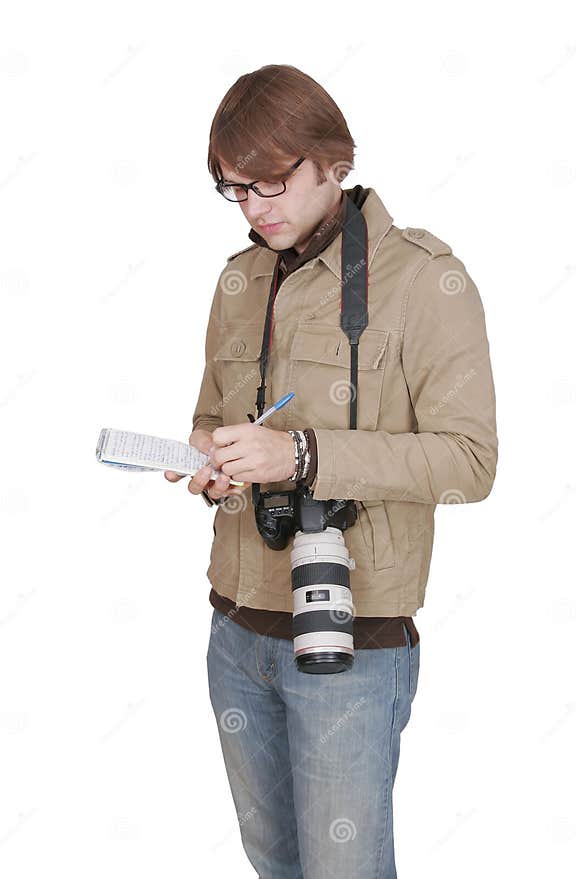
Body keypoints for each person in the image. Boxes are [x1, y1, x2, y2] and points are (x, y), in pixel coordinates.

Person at [165, 64, 498, 878]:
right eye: (234, 188)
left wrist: (306, 455)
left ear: (332, 160)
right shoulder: (239, 279)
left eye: (272, 180)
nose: (255, 207)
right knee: (274, 864)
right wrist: (213, 459)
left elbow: (472, 462)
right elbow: (215, 416)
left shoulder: (423, 279)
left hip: (353, 640)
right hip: (236, 628)